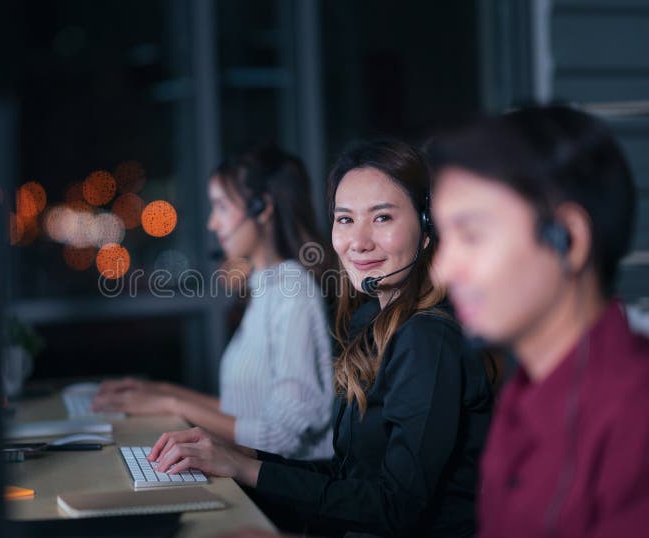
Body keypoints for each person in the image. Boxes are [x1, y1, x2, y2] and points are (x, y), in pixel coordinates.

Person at [146, 139, 494, 537]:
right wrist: (234, 455)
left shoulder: (428, 340)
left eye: (382, 218)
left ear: (428, 227)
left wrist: (246, 468)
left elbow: (396, 507)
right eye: (345, 219)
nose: (358, 241)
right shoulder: (374, 325)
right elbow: (346, 475)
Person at [428, 105, 649, 537]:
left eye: (470, 236)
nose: (441, 271)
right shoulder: (525, 391)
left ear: (567, 238)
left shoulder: (636, 417)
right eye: (443, 238)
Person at [93, 144, 335, 459]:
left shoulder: (294, 293)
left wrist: (171, 404)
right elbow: (246, 411)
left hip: (281, 492)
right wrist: (160, 392)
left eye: (221, 207)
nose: (212, 223)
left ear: (262, 207)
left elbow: (283, 435)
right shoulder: (268, 286)